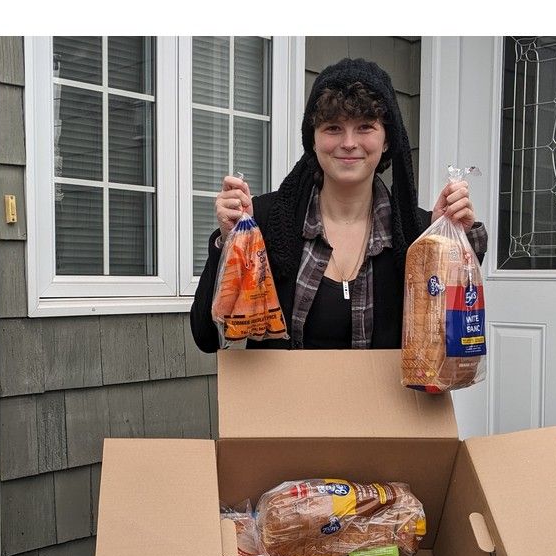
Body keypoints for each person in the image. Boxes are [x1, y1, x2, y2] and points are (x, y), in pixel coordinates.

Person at [190, 57, 487, 352]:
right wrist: (229, 243)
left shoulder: (416, 232)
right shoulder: (264, 222)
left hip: (385, 401)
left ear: (387, 140)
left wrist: (447, 248)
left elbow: (448, 343)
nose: (348, 142)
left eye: (365, 127)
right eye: (333, 127)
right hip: (284, 400)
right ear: (314, 140)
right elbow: (206, 336)